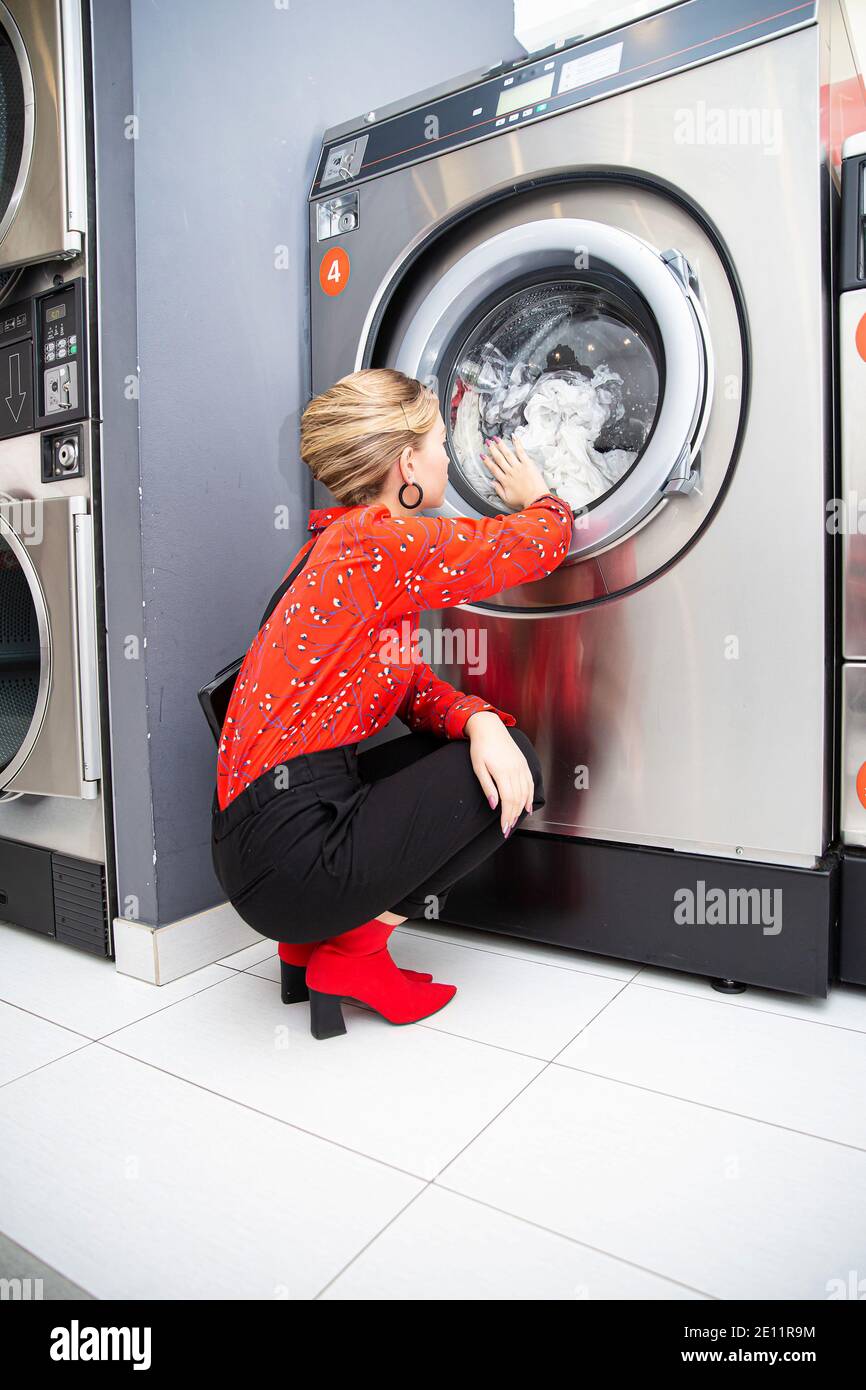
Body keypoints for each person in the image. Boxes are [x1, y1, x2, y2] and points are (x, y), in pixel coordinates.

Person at [211, 368, 574, 1039]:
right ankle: (352, 953)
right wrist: (542, 499)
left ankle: (307, 946)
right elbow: (524, 549)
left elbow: (406, 686)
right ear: (408, 462)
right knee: (519, 768)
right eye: (440, 443)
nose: (447, 457)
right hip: (293, 853)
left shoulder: (336, 547)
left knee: (474, 747)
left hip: (259, 843)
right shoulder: (378, 541)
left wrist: (478, 719)